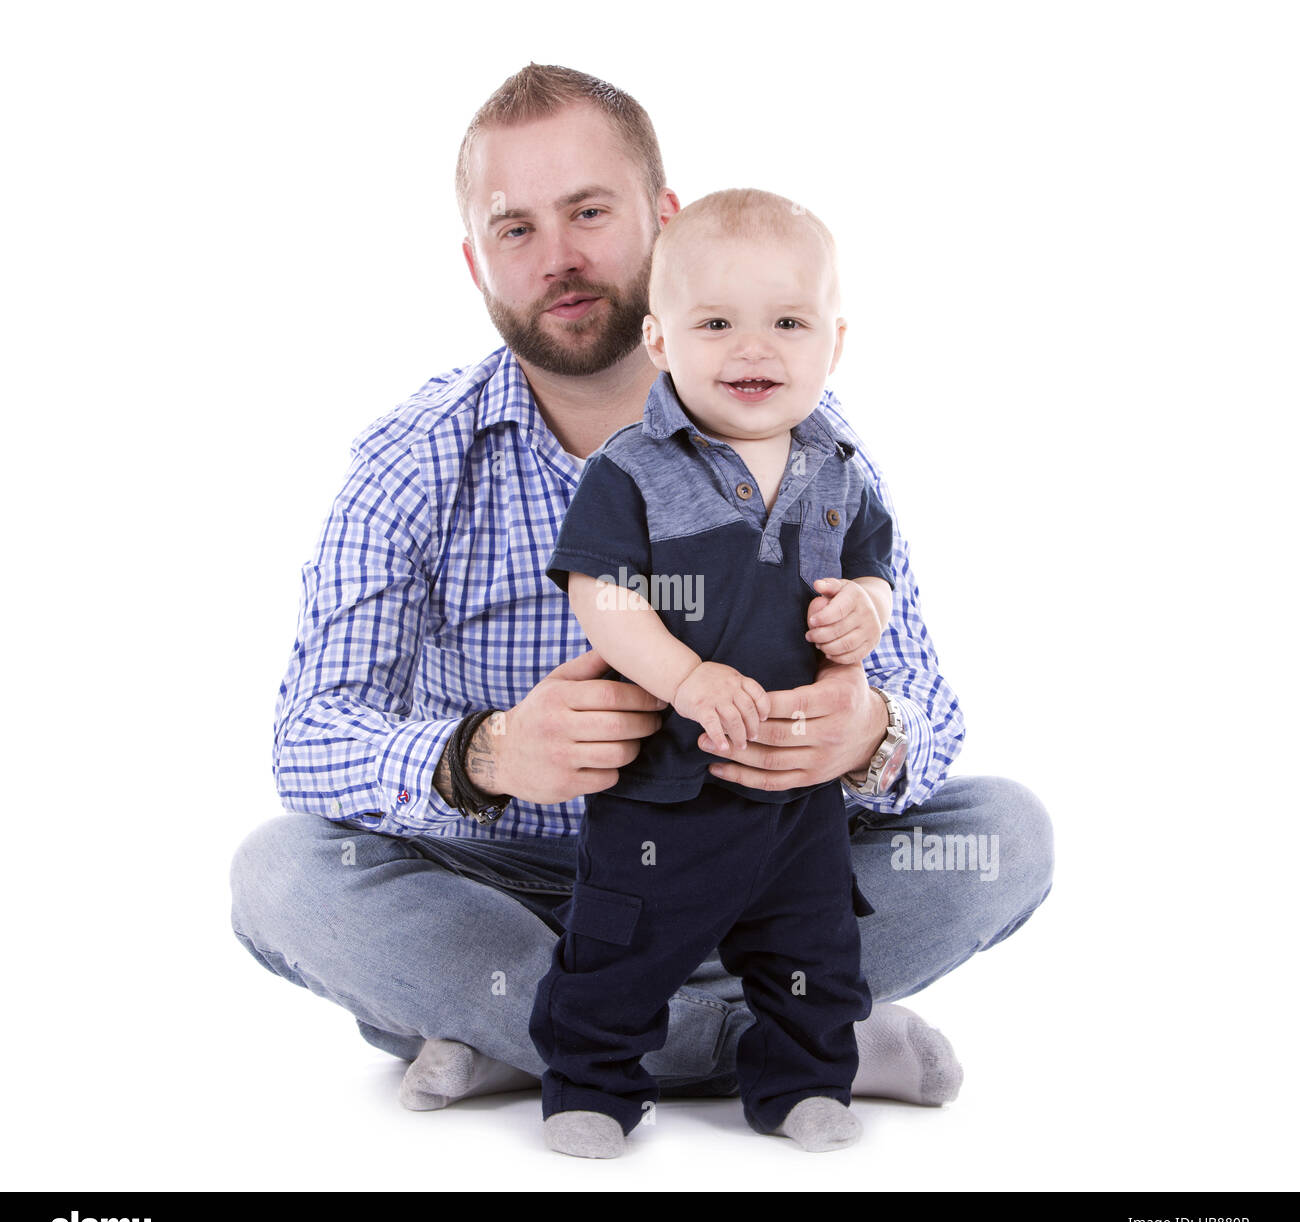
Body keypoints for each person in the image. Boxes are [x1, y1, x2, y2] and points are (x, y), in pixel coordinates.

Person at [229, 63, 1054, 1132]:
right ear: (476, 262)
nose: (559, 257)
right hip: (506, 891)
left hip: (759, 866)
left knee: (1004, 834)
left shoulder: (813, 444)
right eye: (514, 229)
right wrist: (484, 755)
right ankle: (794, 1037)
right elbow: (306, 738)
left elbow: (929, 713)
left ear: (663, 225)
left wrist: (864, 731)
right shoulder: (411, 460)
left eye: (588, 211)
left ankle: (533, 1038)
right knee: (283, 875)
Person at [530, 188, 896, 1157]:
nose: (753, 349)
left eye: (786, 322)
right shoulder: (634, 468)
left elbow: (874, 570)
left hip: (799, 795)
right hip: (667, 794)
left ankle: (804, 1081)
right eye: (716, 324)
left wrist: (869, 608)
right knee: (620, 944)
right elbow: (601, 594)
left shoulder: (839, 469)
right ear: (658, 342)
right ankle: (592, 1086)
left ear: (835, 340)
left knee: (813, 945)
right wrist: (686, 680)